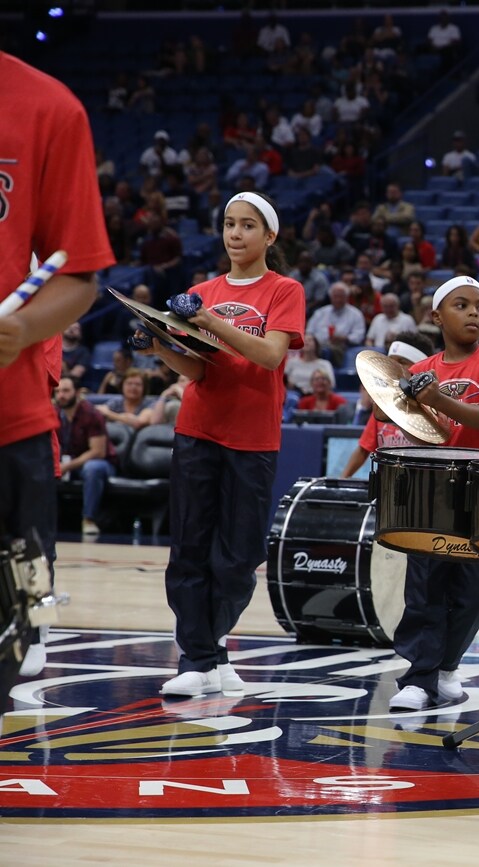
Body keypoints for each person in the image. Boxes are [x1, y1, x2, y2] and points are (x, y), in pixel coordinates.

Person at [133, 191, 305, 698]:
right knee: (189, 548)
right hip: (198, 429)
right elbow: (197, 369)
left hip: (253, 437)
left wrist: (209, 321)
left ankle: (212, 647)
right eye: (229, 224)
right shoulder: (200, 289)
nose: (236, 233)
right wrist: (161, 345)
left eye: (248, 225)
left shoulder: (284, 290)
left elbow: (270, 357)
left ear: (269, 236)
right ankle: (199, 657)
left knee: (239, 554)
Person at [1, 52, 116, 687]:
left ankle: (37, 621)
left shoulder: (49, 107)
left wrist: (19, 328)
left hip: (9, 422)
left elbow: (79, 275)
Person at [388, 276, 479, 711]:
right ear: (437, 316)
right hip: (434, 489)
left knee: (475, 590)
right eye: (462, 306)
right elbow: (416, 433)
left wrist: (437, 400)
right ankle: (419, 677)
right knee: (425, 586)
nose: (475, 313)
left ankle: (446, 665)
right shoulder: (421, 371)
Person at [340, 336, 433, 478]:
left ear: (420, 367)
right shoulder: (383, 406)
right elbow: (363, 449)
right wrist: (342, 479)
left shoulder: (432, 408)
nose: (393, 367)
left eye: (402, 362)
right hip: (387, 486)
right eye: (390, 362)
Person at [54, 376, 116, 536]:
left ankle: (89, 520)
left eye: (66, 391)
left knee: (92, 468)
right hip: (67, 461)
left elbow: (97, 452)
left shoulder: (91, 414)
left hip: (100, 463)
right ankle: (39, 520)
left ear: (78, 392)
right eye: (58, 391)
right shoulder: (54, 414)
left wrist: (67, 466)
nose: (61, 395)